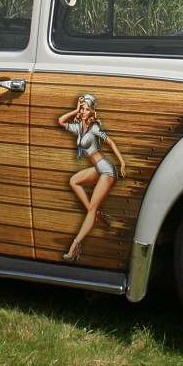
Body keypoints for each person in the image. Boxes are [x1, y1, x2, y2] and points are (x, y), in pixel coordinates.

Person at [59, 94, 128, 262]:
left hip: (107, 170)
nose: (83, 112)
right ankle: (96, 215)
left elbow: (110, 142)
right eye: (82, 108)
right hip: (98, 168)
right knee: (74, 181)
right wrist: (75, 109)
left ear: (92, 112)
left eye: (87, 109)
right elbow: (61, 121)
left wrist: (122, 162)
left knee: (90, 211)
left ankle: (75, 246)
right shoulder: (79, 128)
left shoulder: (94, 128)